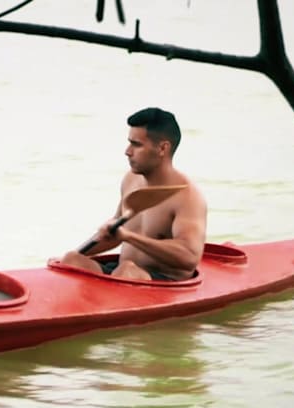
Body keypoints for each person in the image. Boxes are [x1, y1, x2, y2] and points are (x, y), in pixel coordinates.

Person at [56, 107, 207, 281]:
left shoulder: (187, 197)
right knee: (72, 260)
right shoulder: (131, 180)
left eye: (136, 145)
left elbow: (189, 258)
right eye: (129, 143)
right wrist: (68, 258)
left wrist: (129, 237)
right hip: (121, 275)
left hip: (164, 280)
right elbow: (114, 237)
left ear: (162, 148)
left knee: (127, 271)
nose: (127, 151)